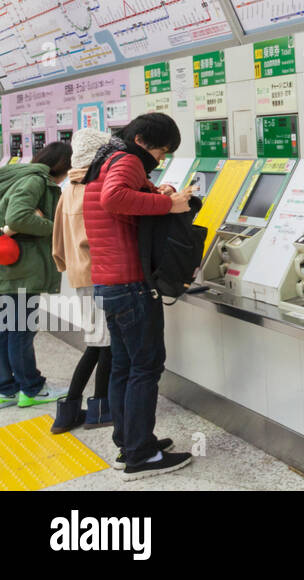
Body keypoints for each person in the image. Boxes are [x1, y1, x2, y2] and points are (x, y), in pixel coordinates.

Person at [83, 114, 194, 481]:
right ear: (144, 140)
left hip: (110, 281)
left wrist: (152, 194)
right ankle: (141, 456)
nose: (160, 159)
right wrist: (169, 205)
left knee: (124, 366)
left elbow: (117, 204)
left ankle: (128, 443)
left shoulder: (108, 158)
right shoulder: (128, 159)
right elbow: (115, 199)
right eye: (162, 150)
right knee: (145, 367)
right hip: (130, 282)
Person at [50, 129, 115, 434]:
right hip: (99, 274)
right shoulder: (95, 188)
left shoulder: (67, 190)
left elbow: (58, 239)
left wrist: (67, 264)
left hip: (79, 276)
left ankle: (70, 409)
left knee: (97, 340)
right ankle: (98, 407)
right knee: (104, 343)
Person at [0, 142, 73, 410]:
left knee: (7, 331)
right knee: (20, 331)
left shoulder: (18, 174)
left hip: (11, 267)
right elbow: (18, 217)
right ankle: (32, 388)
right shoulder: (35, 181)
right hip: (23, 269)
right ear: (63, 165)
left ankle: (7, 389)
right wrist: (55, 228)